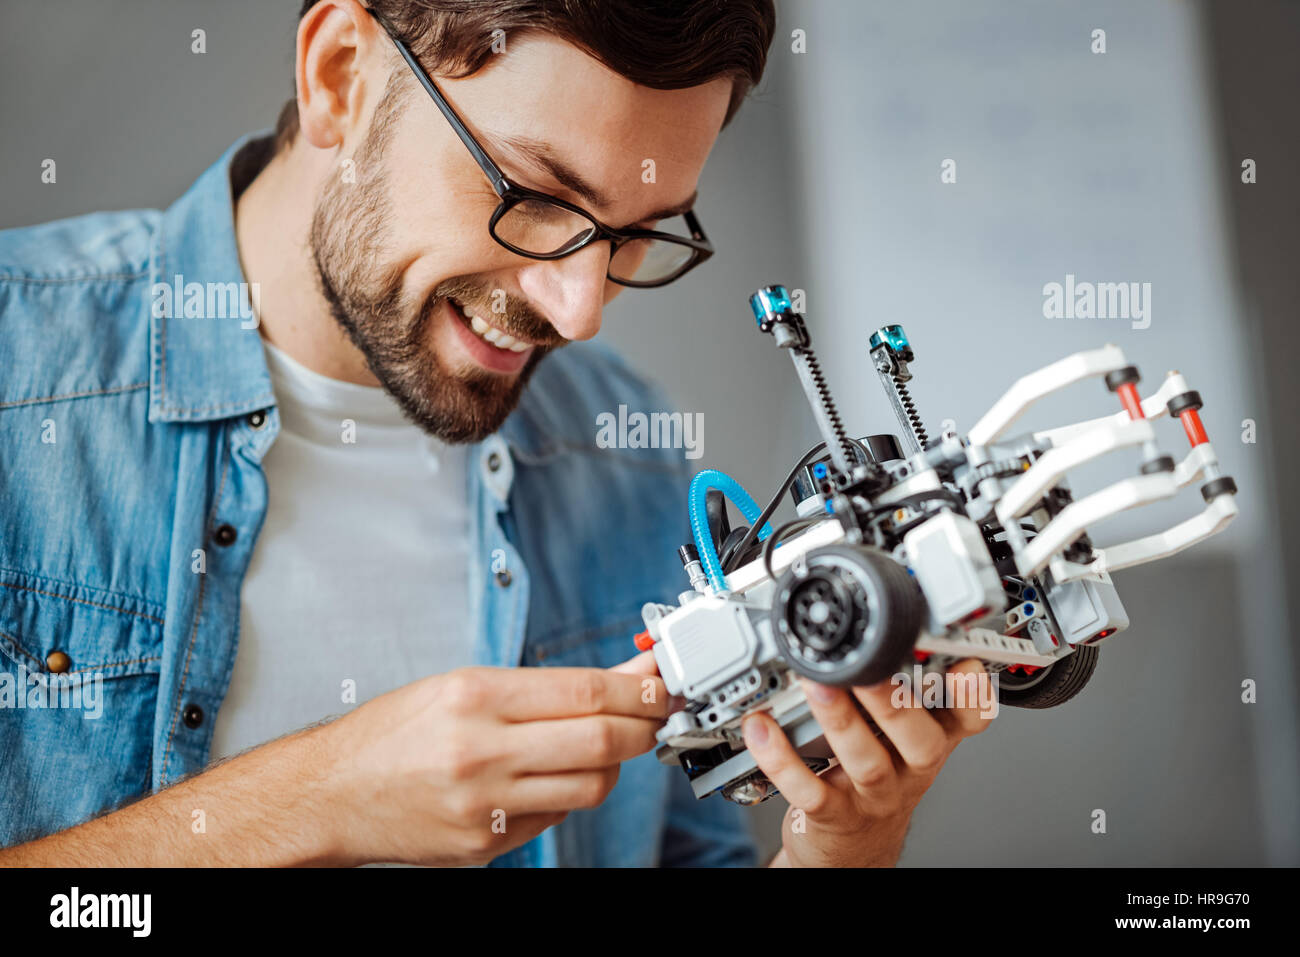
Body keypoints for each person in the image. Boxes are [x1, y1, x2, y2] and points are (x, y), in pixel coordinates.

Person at [0, 0, 989, 868]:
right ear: (341, 76)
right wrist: (314, 800)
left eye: (639, 229)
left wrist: (842, 851)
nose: (579, 307)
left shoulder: (624, 449)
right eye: (533, 198)